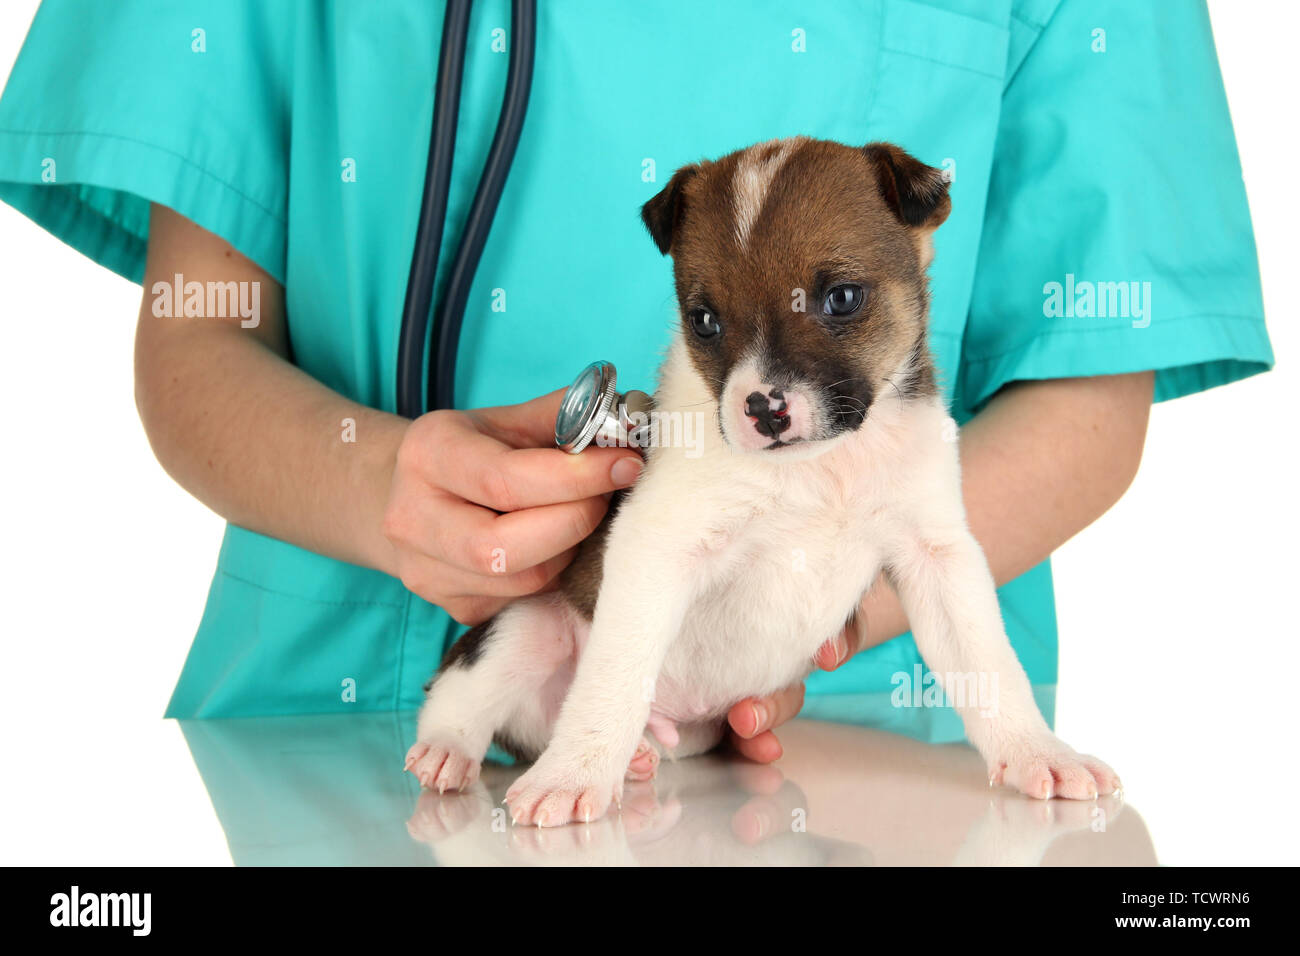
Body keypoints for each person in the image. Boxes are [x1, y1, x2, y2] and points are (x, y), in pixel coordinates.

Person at [0, 0, 1272, 764]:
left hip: (869, 756)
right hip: (331, 733)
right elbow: (193, 337)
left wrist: (816, 611)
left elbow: (1093, 391)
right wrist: (377, 482)